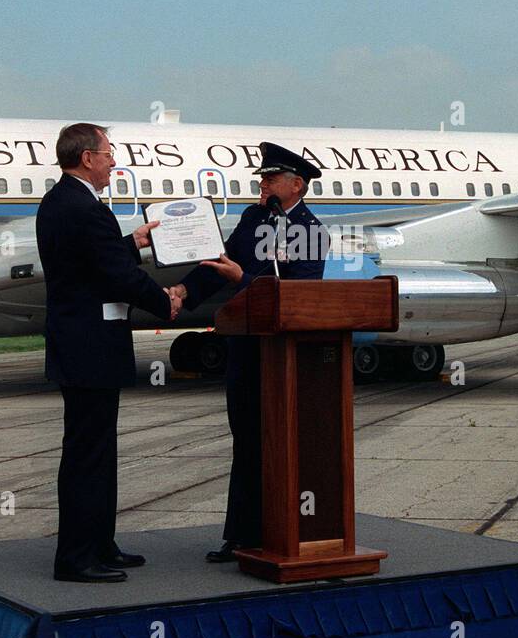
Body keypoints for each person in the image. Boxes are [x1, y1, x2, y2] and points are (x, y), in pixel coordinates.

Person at [168, 142, 328, 563]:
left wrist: (244, 280)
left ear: (296, 186)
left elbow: (299, 299)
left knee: (282, 443)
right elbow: (223, 263)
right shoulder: (253, 218)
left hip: (284, 358)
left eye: (270, 179)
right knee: (246, 440)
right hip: (245, 351)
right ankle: (241, 535)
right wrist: (184, 291)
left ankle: (287, 532)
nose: (261, 185)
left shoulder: (312, 232)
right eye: (261, 178)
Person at [36, 122, 180, 583]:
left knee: (97, 452)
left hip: (82, 345)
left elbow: (91, 262)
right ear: (87, 158)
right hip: (89, 347)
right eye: (108, 153)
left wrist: (132, 242)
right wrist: (167, 301)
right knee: (87, 456)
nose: (113, 161)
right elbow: (114, 276)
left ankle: (100, 544)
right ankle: (76, 558)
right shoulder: (84, 208)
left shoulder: (65, 202)